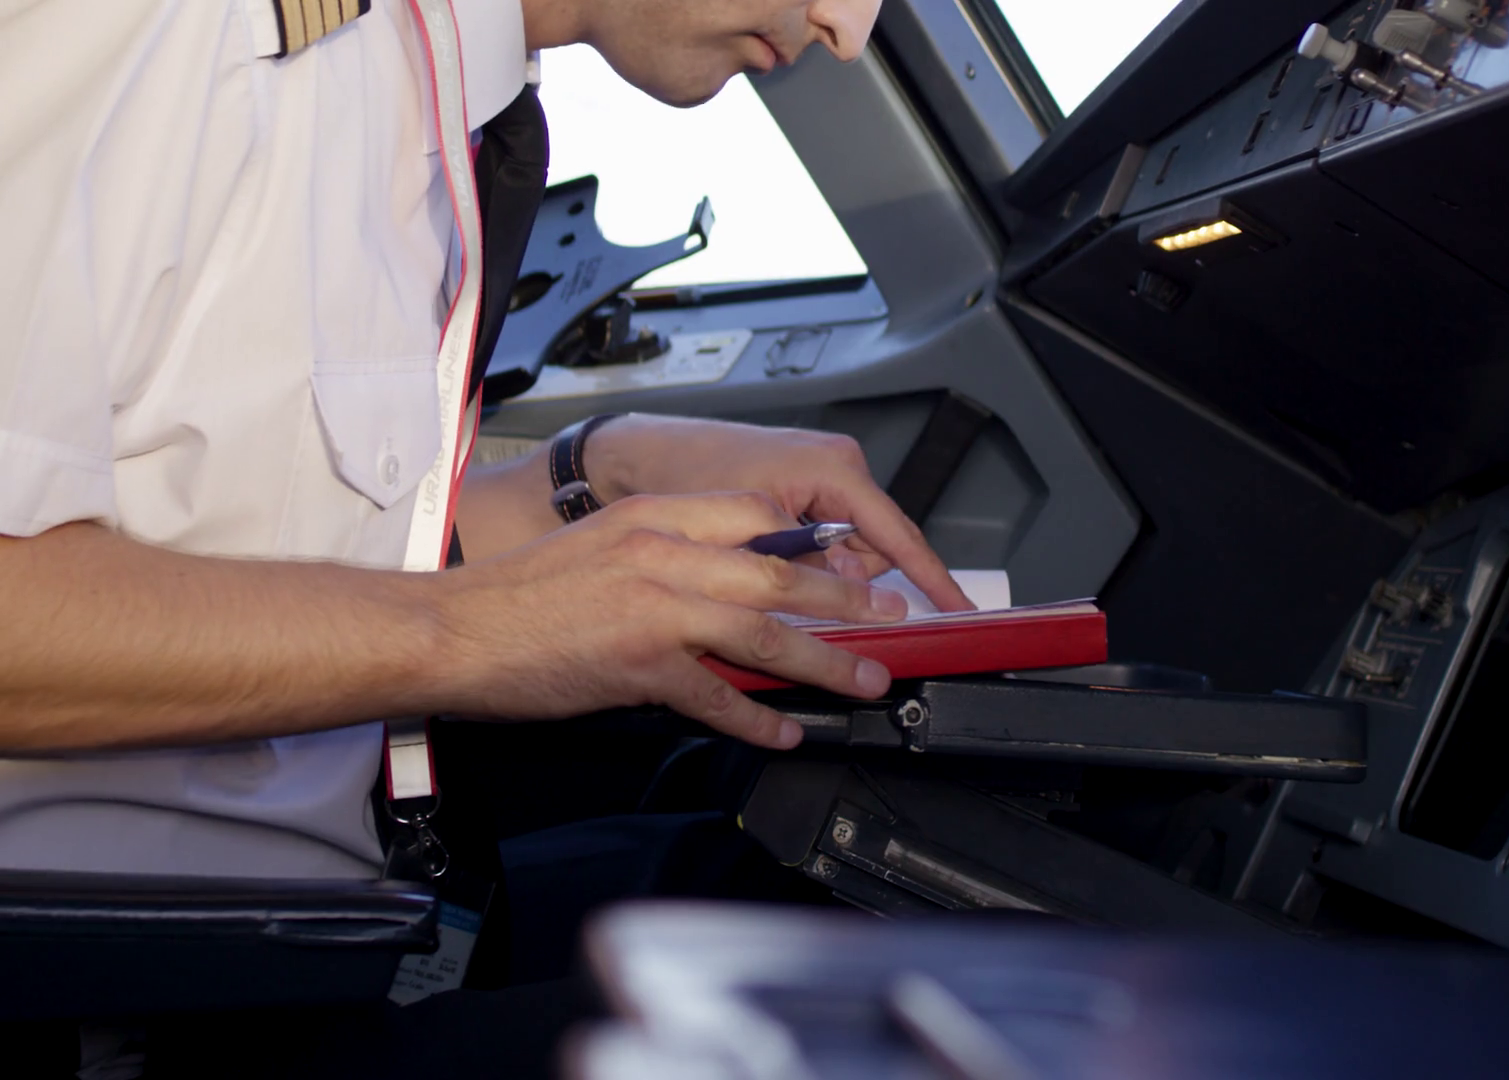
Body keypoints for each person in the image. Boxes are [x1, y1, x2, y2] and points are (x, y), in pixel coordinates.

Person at [0, 0, 956, 1071]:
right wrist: (471, 636)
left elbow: (270, 531)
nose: (847, 27)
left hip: (313, 942)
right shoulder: (157, 27)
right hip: (101, 996)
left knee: (822, 894)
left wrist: (595, 474)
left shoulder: (418, 94)